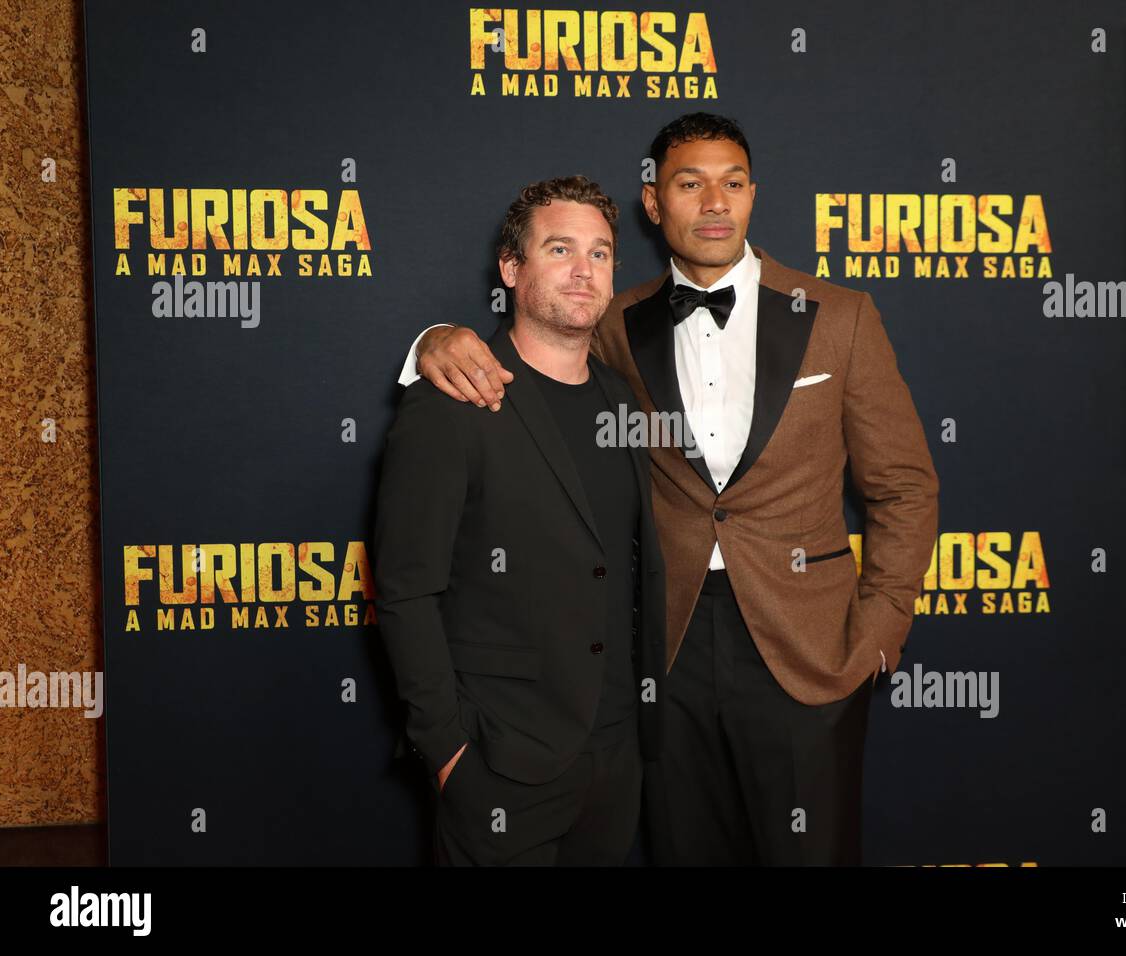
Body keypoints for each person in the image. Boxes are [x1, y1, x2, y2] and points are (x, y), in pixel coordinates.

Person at [399, 113, 939, 865]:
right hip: (662, 656)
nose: (715, 201)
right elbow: (535, 341)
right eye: (691, 183)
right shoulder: (612, 317)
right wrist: (430, 342)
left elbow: (905, 486)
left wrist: (881, 631)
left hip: (808, 652)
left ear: (754, 195)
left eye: (734, 182)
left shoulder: (838, 315)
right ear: (655, 203)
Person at [374, 175, 665, 865]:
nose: (582, 270)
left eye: (599, 253)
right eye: (559, 248)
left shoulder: (622, 397)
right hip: (501, 763)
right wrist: (447, 751)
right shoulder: (452, 399)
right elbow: (408, 592)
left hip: (617, 755)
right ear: (512, 268)